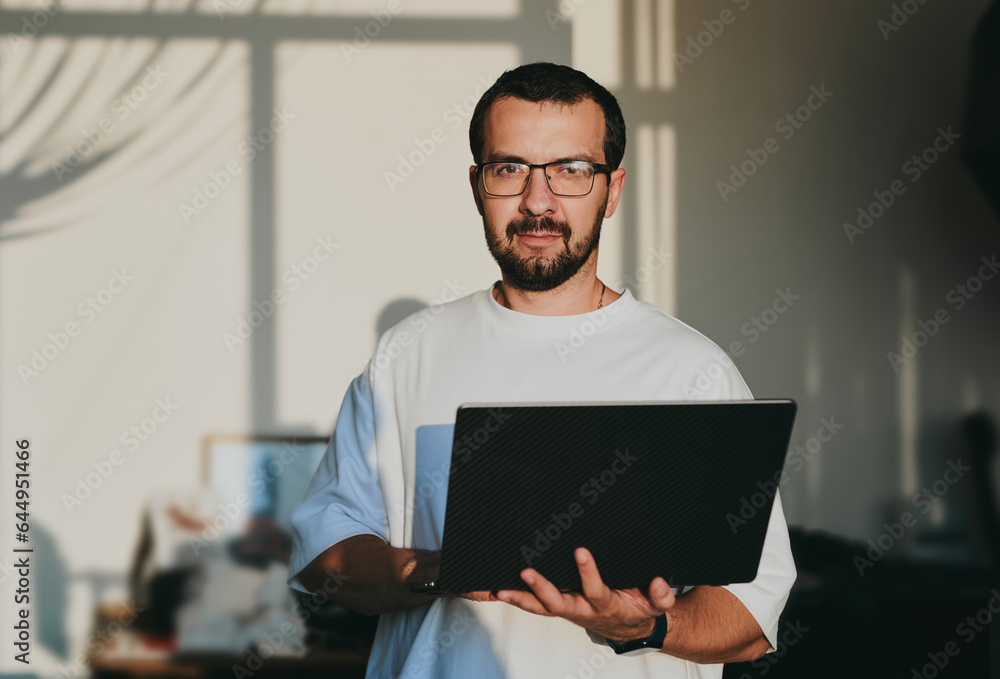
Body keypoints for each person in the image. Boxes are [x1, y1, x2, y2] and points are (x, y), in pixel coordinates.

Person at [289, 62, 796, 678]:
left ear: (611, 191)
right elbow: (325, 557)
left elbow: (751, 617)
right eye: (510, 169)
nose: (537, 200)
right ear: (478, 185)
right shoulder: (406, 355)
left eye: (571, 171)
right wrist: (439, 568)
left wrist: (648, 626)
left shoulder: (693, 371)